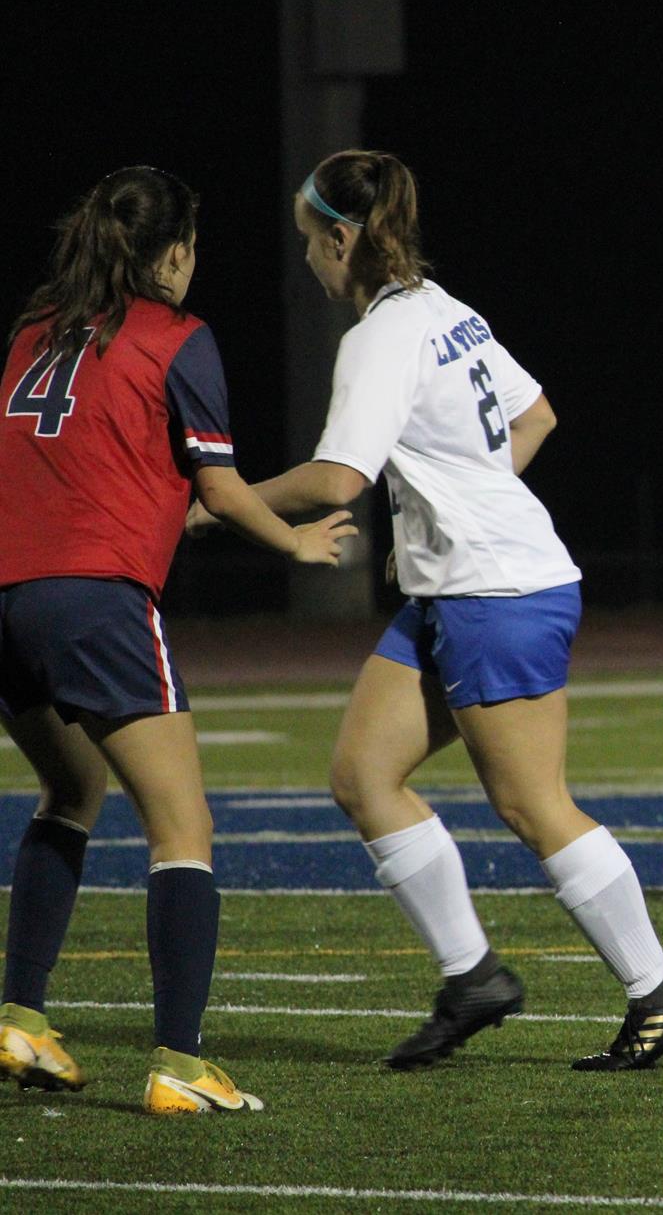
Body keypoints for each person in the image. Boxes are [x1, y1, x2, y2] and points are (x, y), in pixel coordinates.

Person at [185, 150, 663, 1072]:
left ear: (343, 238)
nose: (306, 259)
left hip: (494, 591)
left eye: (311, 241)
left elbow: (340, 479)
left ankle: (660, 992)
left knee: (532, 803)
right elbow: (535, 414)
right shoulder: (444, 308)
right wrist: (453, 511)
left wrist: (222, 502)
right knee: (361, 776)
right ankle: (473, 978)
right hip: (464, 583)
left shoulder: (380, 335)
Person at [0, 166, 355, 1112]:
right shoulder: (177, 338)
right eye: (190, 248)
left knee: (72, 789)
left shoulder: (35, 330)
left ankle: (23, 1017)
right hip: (96, 597)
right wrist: (296, 540)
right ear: (169, 254)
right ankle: (179, 1061)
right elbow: (221, 487)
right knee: (183, 828)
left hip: (7, 595)